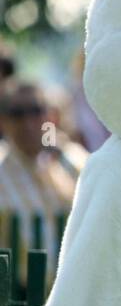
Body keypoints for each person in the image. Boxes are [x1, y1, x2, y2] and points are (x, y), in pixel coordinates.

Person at [0, 78, 87, 292]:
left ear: (52, 117)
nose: (28, 122)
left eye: (36, 110)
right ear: (3, 120)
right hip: (19, 301)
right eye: (17, 113)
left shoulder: (73, 161)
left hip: (74, 292)